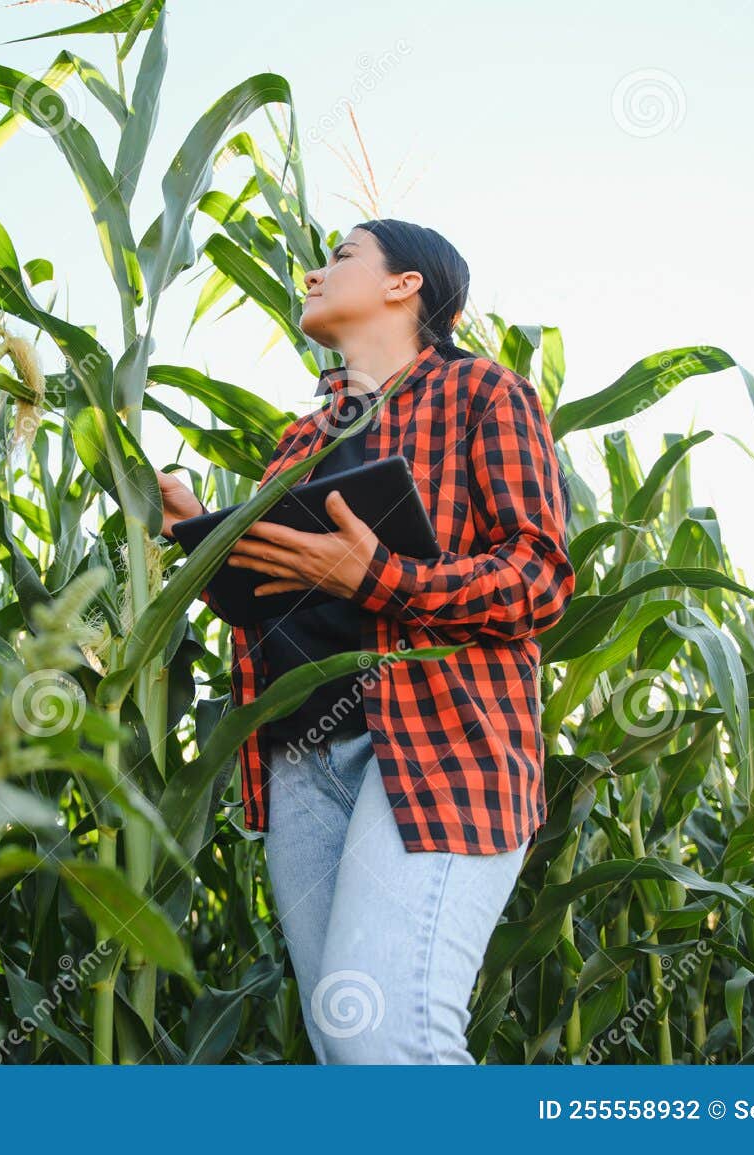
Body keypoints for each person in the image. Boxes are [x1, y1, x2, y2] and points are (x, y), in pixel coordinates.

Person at [158, 219, 575, 1064]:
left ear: (405, 285)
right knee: (349, 1042)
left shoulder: (484, 393)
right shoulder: (301, 442)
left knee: (394, 1039)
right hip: (298, 764)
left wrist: (378, 574)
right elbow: (277, 604)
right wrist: (200, 545)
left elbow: (540, 576)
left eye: (342, 256)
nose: (313, 272)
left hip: (438, 749)